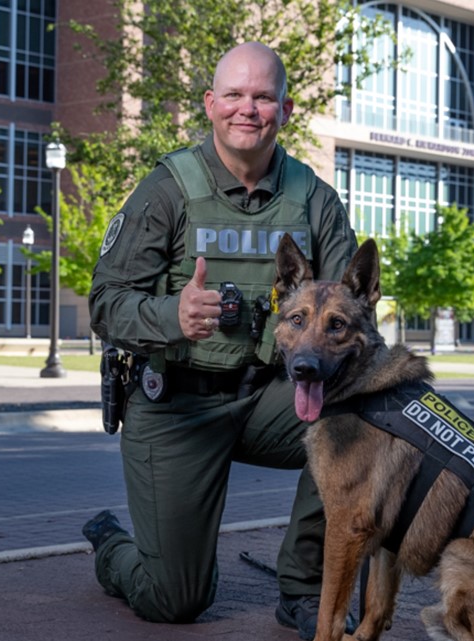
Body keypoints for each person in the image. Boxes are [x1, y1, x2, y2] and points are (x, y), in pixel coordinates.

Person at [85, 42, 359, 639]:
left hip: (265, 398)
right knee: (174, 599)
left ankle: (306, 587)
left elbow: (351, 307)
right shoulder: (167, 189)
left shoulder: (314, 199)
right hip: (175, 403)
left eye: (263, 97)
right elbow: (104, 304)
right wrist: (170, 314)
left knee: (360, 418)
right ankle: (112, 547)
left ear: (285, 109)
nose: (248, 109)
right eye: (234, 95)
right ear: (210, 104)